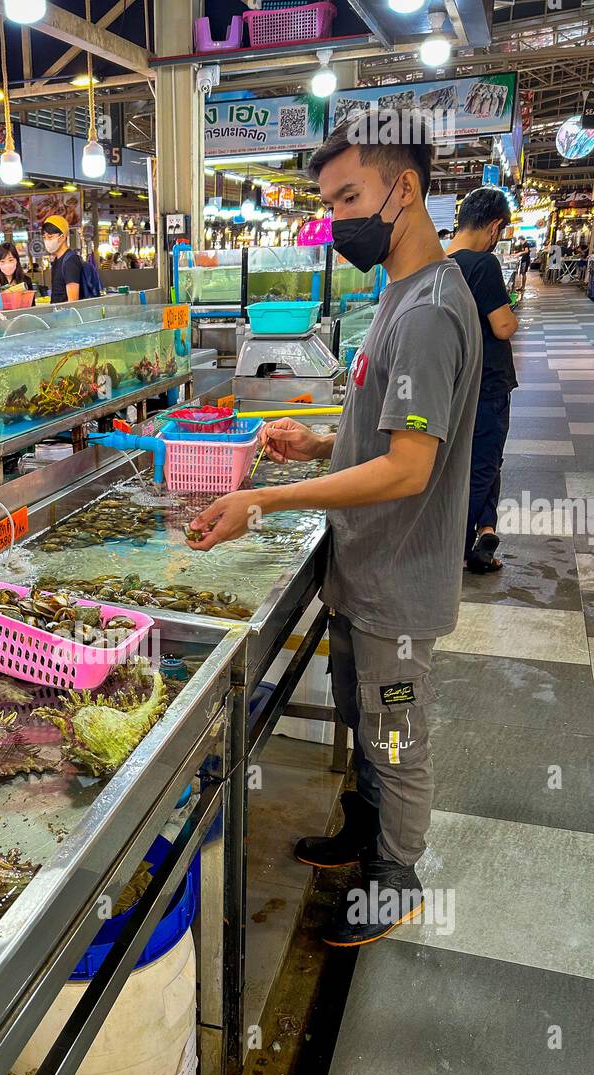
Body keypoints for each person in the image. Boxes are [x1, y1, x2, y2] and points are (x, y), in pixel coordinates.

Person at [186, 120, 482, 948]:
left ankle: (397, 873)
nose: (338, 218)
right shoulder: (397, 292)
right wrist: (317, 443)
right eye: (327, 204)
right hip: (365, 565)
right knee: (360, 714)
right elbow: (383, 431)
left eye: (349, 197)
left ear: (405, 190)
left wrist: (264, 503)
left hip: (399, 575)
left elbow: (407, 469)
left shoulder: (428, 309)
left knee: (393, 729)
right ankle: (363, 826)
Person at [448, 186, 519, 575]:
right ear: (494, 227)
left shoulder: (439, 262)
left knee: (477, 464)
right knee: (483, 466)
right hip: (488, 383)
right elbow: (504, 325)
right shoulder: (483, 264)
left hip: (457, 382)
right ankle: (454, 548)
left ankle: (483, 541)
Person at [42, 215, 85, 303]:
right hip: (58, 313)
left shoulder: (70, 261)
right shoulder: (57, 260)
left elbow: (73, 300)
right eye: (44, 237)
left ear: (62, 237)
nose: (46, 240)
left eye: (50, 237)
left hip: (66, 315)